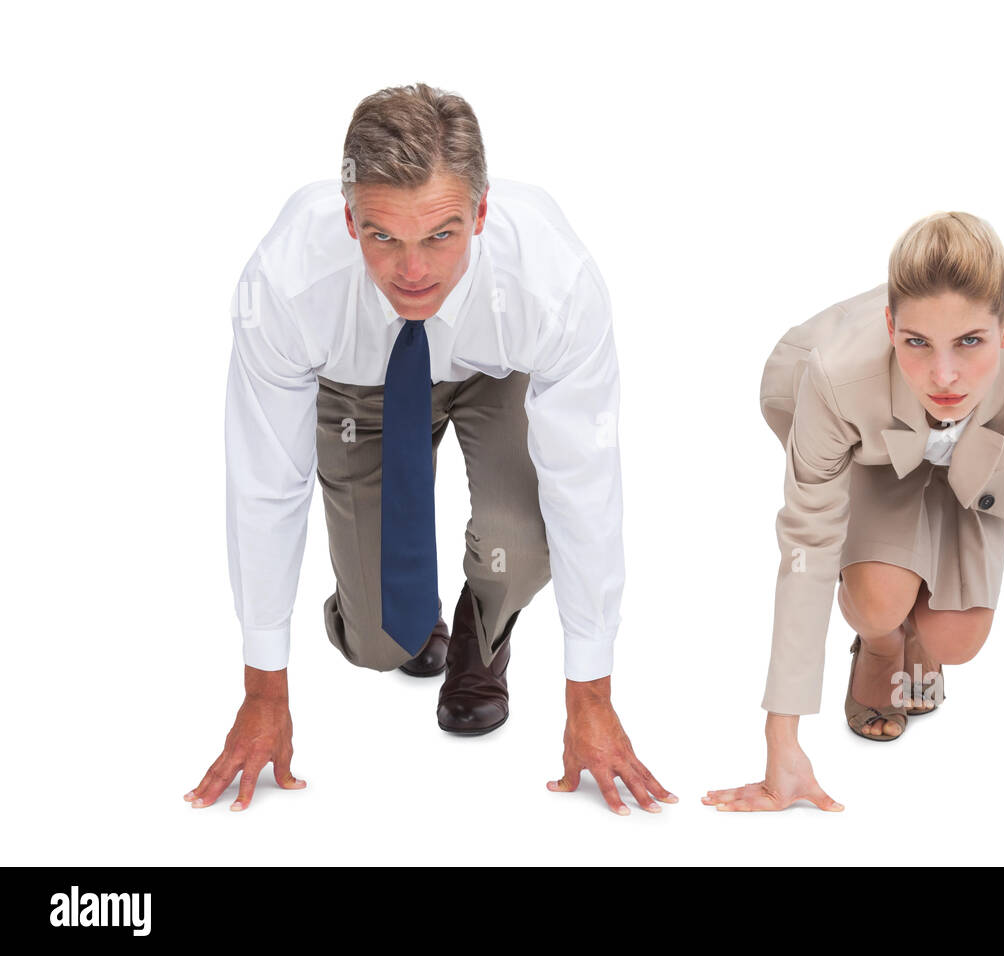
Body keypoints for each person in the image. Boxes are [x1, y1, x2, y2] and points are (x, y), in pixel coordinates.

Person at [185, 83, 673, 816]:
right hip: (361, 395)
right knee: (380, 641)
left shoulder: (553, 282)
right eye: (385, 237)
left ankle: (482, 631)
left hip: (494, 375)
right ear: (350, 221)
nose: (413, 271)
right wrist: (263, 693)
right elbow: (265, 484)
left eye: (442, 234)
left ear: (481, 213)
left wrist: (591, 698)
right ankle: (397, 614)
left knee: (523, 541)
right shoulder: (285, 285)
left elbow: (587, 484)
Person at [704, 212, 1004, 814]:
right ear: (891, 327)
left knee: (957, 639)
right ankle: (881, 646)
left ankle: (919, 637)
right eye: (918, 341)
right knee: (879, 600)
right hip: (870, 440)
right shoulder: (836, 375)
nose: (944, 376)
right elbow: (807, 543)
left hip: (983, 457)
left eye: (969, 340)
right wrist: (780, 742)